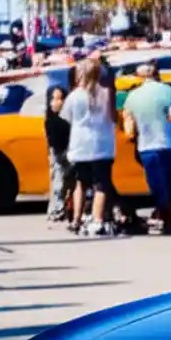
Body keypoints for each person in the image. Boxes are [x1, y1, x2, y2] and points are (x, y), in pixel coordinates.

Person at [122, 63, 171, 233]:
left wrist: (132, 135)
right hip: (169, 143)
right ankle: (169, 218)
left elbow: (128, 125)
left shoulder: (132, 96)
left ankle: (164, 214)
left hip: (146, 145)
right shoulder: (168, 91)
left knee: (156, 183)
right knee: (170, 181)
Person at [61, 59, 118, 236]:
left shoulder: (74, 96)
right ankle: (97, 219)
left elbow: (67, 117)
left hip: (80, 145)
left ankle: (76, 219)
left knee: (81, 183)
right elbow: (114, 117)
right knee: (101, 184)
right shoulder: (106, 93)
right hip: (102, 144)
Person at [44, 84, 74, 223]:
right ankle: (56, 210)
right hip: (58, 155)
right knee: (58, 184)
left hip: (69, 152)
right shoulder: (51, 119)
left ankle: (65, 209)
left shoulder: (67, 118)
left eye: (61, 99)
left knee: (69, 183)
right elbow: (52, 142)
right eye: (55, 99)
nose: (59, 102)